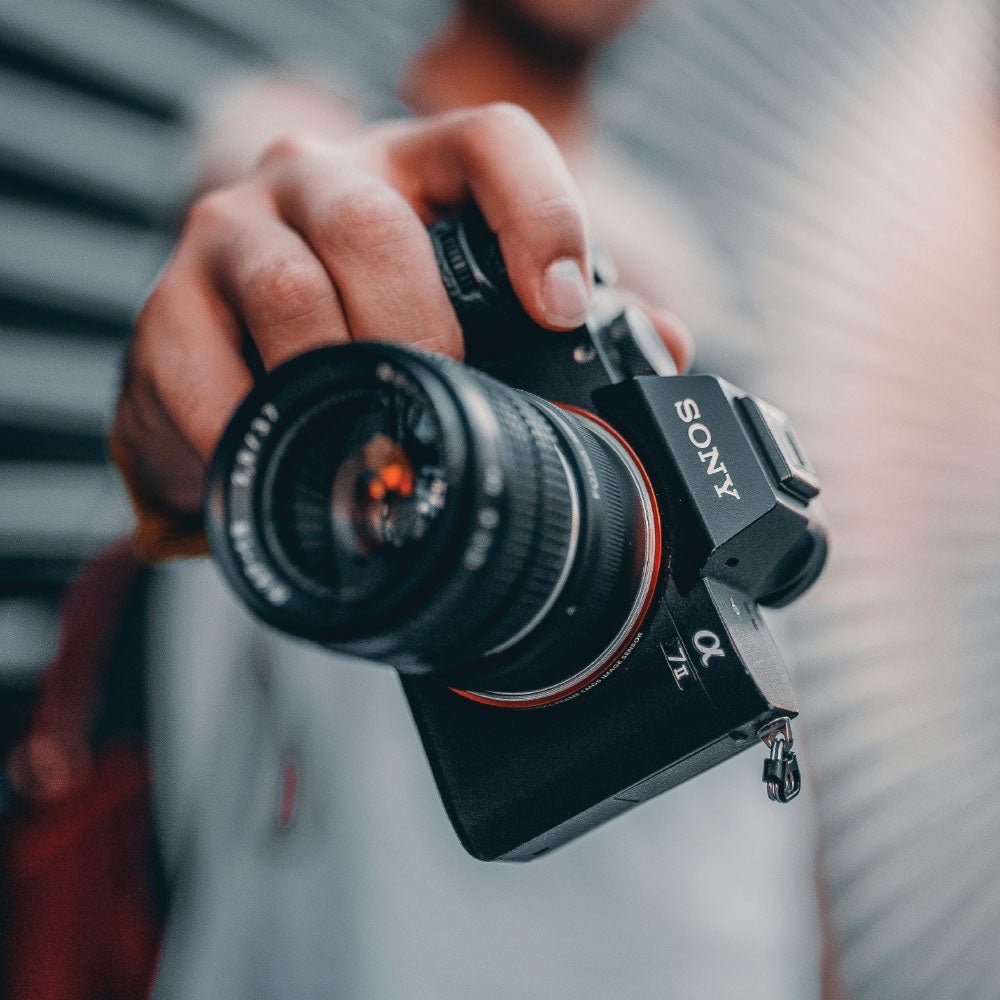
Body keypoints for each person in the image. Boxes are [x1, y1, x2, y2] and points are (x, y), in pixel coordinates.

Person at [110, 2, 823, 997]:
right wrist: (183, 422)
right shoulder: (289, 158)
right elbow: (192, 408)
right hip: (343, 946)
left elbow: (781, 664)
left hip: (701, 949)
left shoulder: (691, 265)